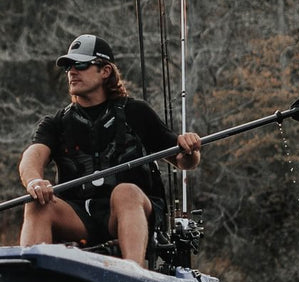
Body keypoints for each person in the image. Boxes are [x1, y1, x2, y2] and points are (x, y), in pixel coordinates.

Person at [18, 34, 202, 268]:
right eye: (69, 67)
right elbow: (31, 157)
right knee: (36, 202)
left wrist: (189, 149)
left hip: (129, 211)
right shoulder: (55, 123)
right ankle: (32, 275)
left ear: (105, 71)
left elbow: (185, 162)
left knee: (125, 192)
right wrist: (34, 181)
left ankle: (132, 273)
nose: (72, 72)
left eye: (81, 65)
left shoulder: (137, 112)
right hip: (79, 216)